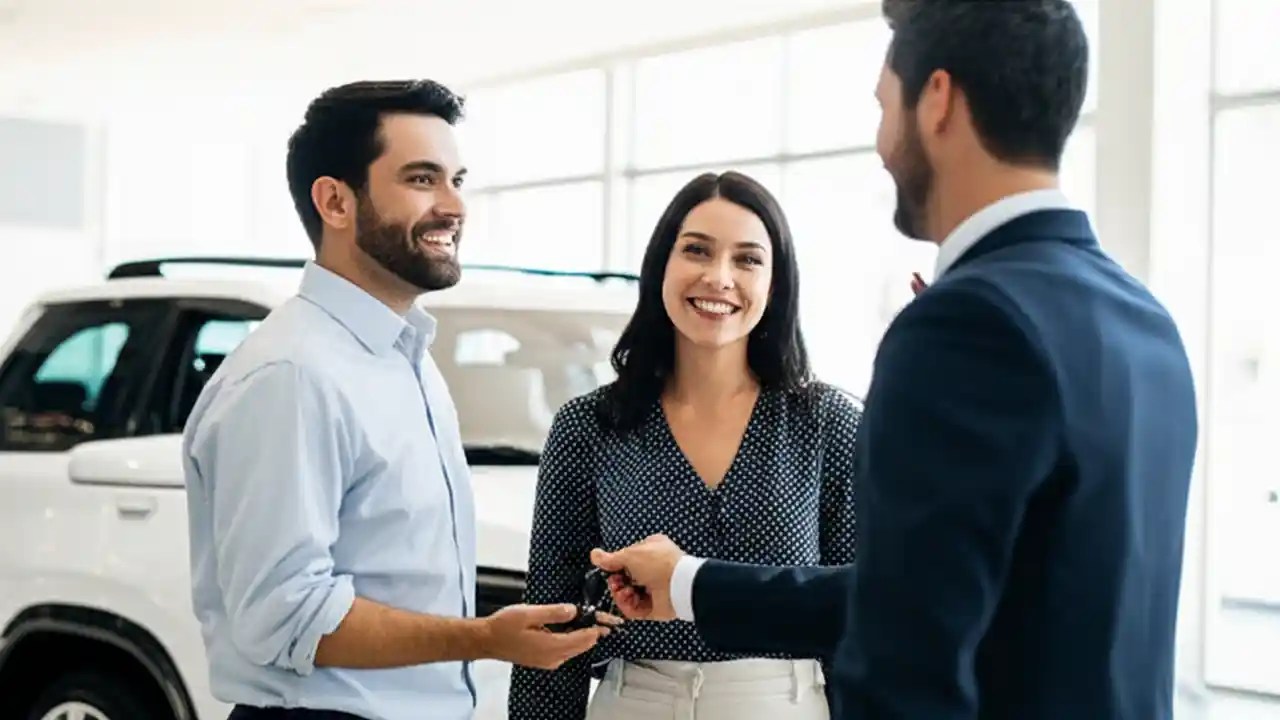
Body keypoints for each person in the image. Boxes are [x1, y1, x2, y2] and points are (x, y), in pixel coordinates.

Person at [591, 3, 1199, 720]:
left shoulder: (962, 326)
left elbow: (906, 653)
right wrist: (693, 583)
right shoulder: (1145, 322)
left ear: (936, 100)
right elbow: (977, 596)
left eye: (884, 105)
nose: (881, 144)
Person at [181, 79, 612, 720]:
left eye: (457, 179)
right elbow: (287, 615)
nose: (454, 205)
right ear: (335, 201)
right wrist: (485, 640)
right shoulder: (291, 375)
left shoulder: (404, 357)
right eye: (421, 179)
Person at [507, 171, 861, 719]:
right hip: (634, 702)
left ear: (776, 283)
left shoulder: (827, 423)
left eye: (747, 259)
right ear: (661, 267)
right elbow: (554, 625)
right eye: (697, 250)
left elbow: (859, 618)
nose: (719, 277)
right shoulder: (588, 426)